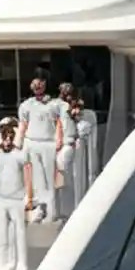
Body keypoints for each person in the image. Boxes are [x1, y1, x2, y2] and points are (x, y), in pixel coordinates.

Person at [0, 122, 33, 270]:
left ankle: (22, 266)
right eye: (5, 138)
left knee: (20, 233)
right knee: (2, 234)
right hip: (0, 198)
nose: (7, 141)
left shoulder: (20, 154)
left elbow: (27, 176)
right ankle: (4, 264)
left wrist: (29, 196)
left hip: (17, 199)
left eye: (10, 138)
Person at [18, 78, 63, 223]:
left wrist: (59, 139)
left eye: (40, 84)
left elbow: (58, 123)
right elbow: (23, 125)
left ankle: (52, 210)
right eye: (35, 85)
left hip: (48, 143)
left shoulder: (53, 104)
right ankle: (40, 208)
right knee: (37, 178)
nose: (37, 87)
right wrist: (18, 143)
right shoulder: (26, 105)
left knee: (49, 177)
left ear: (44, 85)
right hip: (32, 142)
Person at [54, 83, 80, 218]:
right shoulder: (66, 105)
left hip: (65, 144)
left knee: (63, 179)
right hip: (66, 144)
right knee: (65, 179)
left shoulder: (67, 106)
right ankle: (64, 209)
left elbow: (60, 124)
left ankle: (64, 210)